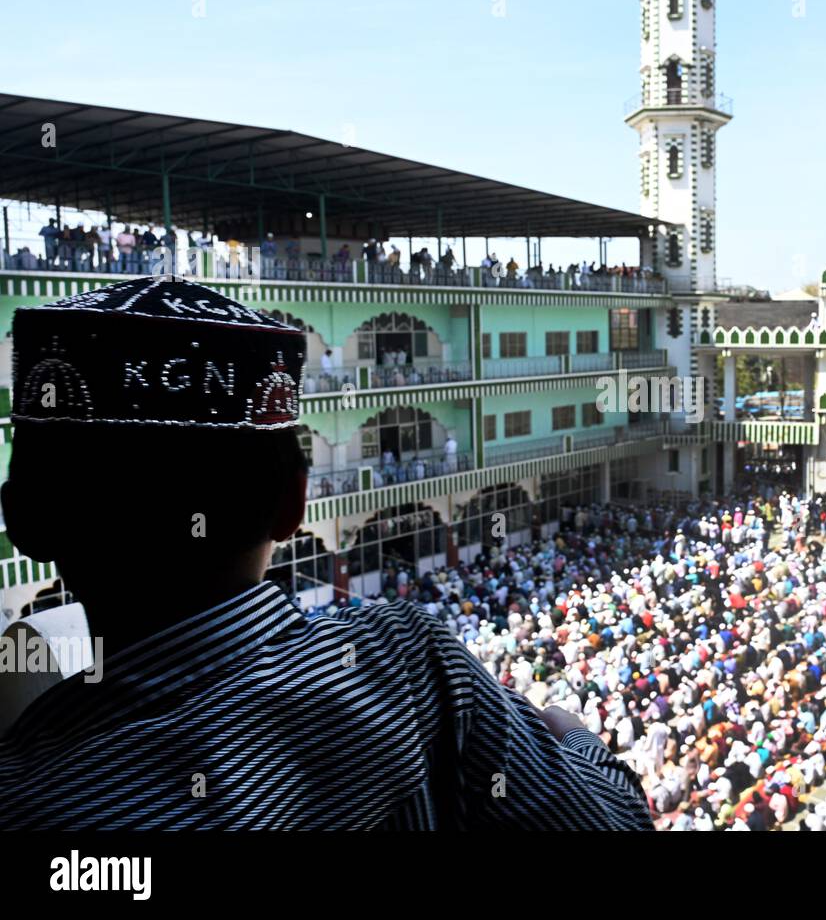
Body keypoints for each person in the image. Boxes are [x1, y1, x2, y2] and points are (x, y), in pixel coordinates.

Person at [0, 275, 652, 830]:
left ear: (22, 518)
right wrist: (577, 739)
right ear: (294, 504)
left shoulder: (27, 799)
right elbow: (616, 821)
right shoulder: (408, 668)